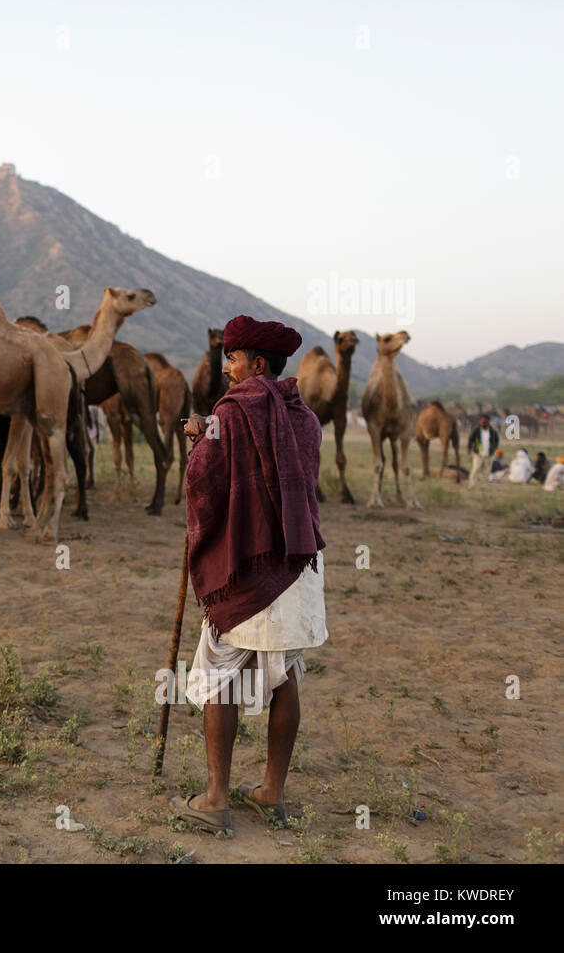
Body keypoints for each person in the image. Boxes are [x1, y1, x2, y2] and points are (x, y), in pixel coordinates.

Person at [170, 314, 326, 835]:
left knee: (219, 677)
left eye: (233, 357)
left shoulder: (230, 413)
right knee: (285, 679)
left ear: (257, 364)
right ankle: (271, 794)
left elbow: (204, 483)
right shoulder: (305, 417)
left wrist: (197, 436)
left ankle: (215, 798)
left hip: (247, 567)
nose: (226, 366)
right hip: (296, 566)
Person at [466, 415, 499, 487]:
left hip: (488, 455)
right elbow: (470, 439)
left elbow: (496, 441)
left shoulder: (492, 431)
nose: (483, 423)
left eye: (484, 421)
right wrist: (469, 448)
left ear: (488, 422)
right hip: (478, 454)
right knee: (475, 470)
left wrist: (494, 448)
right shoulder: (476, 430)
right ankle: (472, 485)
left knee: (486, 472)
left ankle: (483, 486)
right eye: (482, 421)